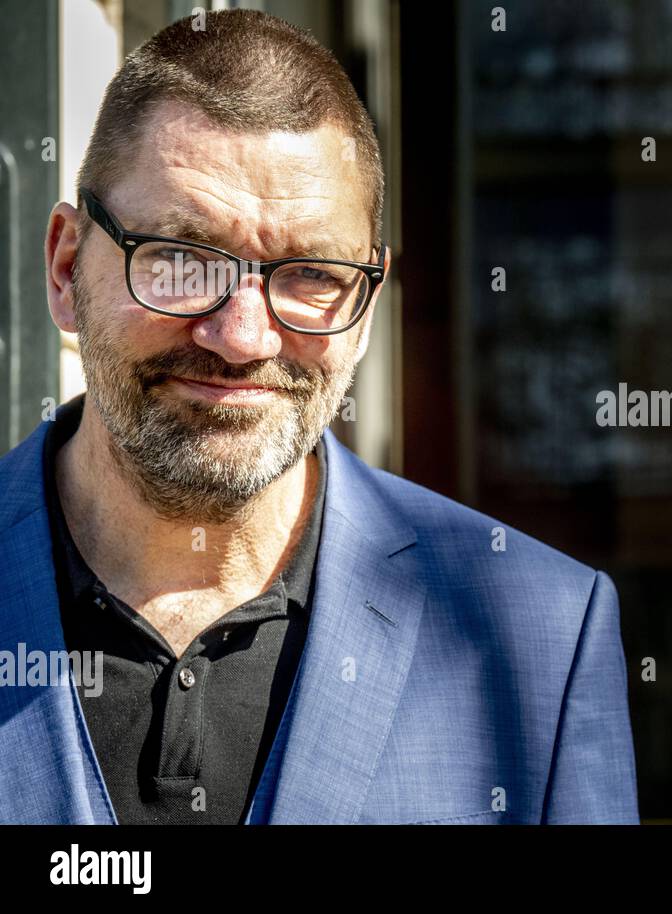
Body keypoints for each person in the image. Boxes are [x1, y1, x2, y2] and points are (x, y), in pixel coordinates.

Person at [0, 8, 638, 825]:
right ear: (65, 268)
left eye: (310, 275)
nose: (240, 337)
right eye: (181, 257)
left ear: (366, 308)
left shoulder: (542, 637)